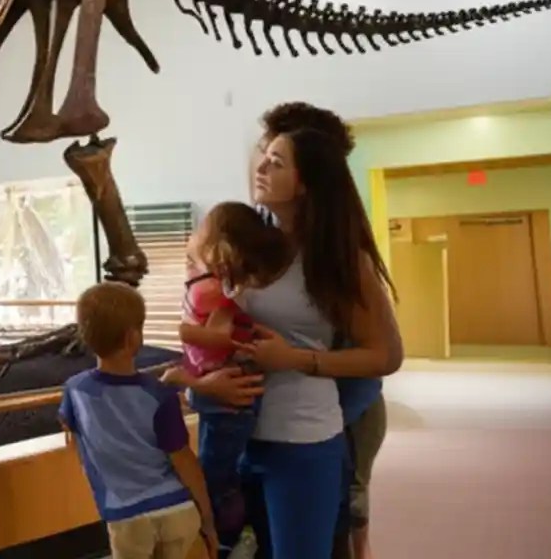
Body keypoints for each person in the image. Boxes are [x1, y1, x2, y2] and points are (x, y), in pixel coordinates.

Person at [256, 103, 390, 559]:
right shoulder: (260, 241)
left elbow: (379, 356)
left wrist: (296, 362)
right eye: (265, 152)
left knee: (342, 528)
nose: (261, 163)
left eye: (277, 158)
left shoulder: (339, 255)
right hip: (261, 431)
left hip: (324, 423)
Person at [167, 202, 294, 558]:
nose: (192, 235)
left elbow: (223, 337)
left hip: (227, 392)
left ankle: (233, 535)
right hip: (215, 391)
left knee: (216, 473)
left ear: (217, 246)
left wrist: (184, 333)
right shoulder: (207, 284)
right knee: (214, 466)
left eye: (202, 230)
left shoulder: (217, 291)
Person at [59, 282, 219, 559]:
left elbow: (70, 431)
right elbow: (183, 459)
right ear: (134, 338)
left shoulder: (76, 391)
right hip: (176, 508)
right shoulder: (157, 395)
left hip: (125, 515)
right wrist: (207, 517)